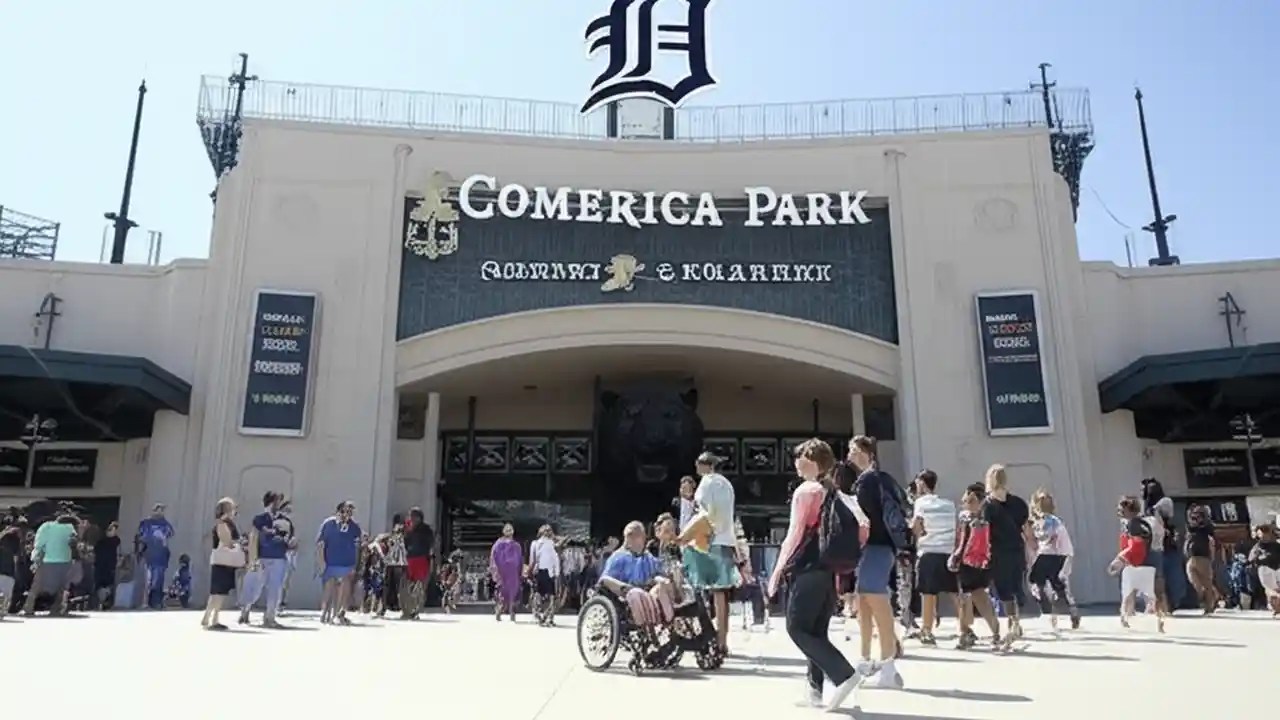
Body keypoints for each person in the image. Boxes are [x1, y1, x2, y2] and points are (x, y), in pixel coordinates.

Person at [767, 438, 860, 712]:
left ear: (810, 459)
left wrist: (776, 572)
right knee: (816, 631)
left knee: (796, 628)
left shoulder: (805, 491)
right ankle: (814, 690)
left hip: (806, 568)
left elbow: (794, 535)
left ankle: (843, 674)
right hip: (829, 570)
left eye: (799, 457)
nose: (796, 462)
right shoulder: (834, 491)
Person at [849, 435, 906, 686]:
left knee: (874, 599)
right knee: (865, 600)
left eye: (853, 450)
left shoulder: (866, 481)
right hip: (885, 546)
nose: (849, 455)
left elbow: (863, 518)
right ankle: (868, 660)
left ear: (865, 453)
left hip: (874, 545)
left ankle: (887, 665)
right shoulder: (885, 479)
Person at [691, 451, 740, 654]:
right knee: (721, 594)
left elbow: (705, 513)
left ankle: (709, 636)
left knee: (702, 589)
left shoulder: (707, 483)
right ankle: (722, 640)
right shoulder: (727, 484)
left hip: (710, 540)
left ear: (707, 466)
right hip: (726, 539)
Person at [981, 464, 1031, 651]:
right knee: (1015, 585)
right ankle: (1015, 622)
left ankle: (1012, 623)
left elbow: (985, 532)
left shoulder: (988, 505)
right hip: (1016, 549)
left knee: (1003, 590)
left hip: (997, 551)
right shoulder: (1018, 503)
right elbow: (1026, 528)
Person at [910, 470, 959, 647]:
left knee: (928, 594)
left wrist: (915, 531)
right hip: (947, 551)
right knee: (954, 592)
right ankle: (965, 629)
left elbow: (916, 526)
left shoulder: (920, 503)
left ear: (922, 483)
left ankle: (927, 630)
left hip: (928, 551)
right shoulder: (949, 504)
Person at [951, 483, 1001, 649]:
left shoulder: (966, 518)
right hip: (983, 562)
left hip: (967, 563)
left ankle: (965, 634)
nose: (966, 502)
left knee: (965, 598)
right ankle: (995, 631)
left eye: (969, 499)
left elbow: (962, 542)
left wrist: (954, 558)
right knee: (980, 596)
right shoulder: (988, 517)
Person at [601, 521, 673, 627]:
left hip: (646, 590)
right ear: (629, 538)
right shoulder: (618, 557)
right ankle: (645, 625)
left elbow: (658, 569)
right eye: (641, 537)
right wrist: (626, 588)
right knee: (635, 592)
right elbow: (605, 580)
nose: (644, 540)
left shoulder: (646, 557)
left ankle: (670, 622)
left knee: (664, 584)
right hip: (626, 593)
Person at [1027, 489, 1081, 631]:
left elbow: (1047, 536)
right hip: (1062, 554)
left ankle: (1048, 611)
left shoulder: (1048, 520)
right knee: (1056, 582)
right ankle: (1071, 610)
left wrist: (1032, 534)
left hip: (1049, 553)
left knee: (1036, 580)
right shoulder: (1055, 520)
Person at [1111, 496, 1165, 632]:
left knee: (1129, 589)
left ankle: (1127, 618)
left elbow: (1136, 545)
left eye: (1121, 509)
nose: (1118, 511)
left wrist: (1120, 558)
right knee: (1154, 590)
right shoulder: (1145, 522)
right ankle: (1160, 618)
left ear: (1129, 510)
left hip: (1139, 560)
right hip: (1152, 557)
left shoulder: (1133, 524)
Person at [239, 491, 290, 628]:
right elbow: (253, 538)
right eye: (277, 501)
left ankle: (269, 617)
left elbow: (289, 538)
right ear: (270, 502)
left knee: (275, 588)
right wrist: (252, 559)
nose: (279, 504)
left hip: (279, 558)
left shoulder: (285, 521)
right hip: (261, 558)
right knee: (254, 587)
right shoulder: (260, 519)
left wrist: (291, 544)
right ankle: (245, 611)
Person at [1141, 478, 1184, 610]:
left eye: (1146, 489)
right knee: (1153, 576)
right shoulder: (1145, 505)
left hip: (1165, 543)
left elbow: (1168, 516)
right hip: (1151, 543)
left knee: (1167, 575)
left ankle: (1169, 603)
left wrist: (1154, 510)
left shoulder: (1164, 502)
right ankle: (1155, 605)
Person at [316, 501, 361, 625]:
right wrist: (321, 562)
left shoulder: (355, 527)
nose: (348, 514)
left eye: (350, 511)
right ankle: (324, 612)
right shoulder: (329, 524)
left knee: (345, 588)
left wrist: (355, 565)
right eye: (346, 510)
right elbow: (320, 543)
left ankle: (339, 613)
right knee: (329, 588)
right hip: (330, 561)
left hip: (347, 563)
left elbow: (357, 546)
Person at [23, 513, 78, 616]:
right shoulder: (70, 528)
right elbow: (73, 543)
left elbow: (39, 543)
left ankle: (28, 607)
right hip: (65, 560)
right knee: (62, 587)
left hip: (47, 559)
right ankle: (57, 609)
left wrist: (35, 558)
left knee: (37, 586)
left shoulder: (46, 526)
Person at [203, 497, 243, 631]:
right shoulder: (222, 523)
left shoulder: (228, 523)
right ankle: (211, 619)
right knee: (218, 592)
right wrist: (240, 544)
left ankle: (209, 618)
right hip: (222, 560)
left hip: (224, 560)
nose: (235, 510)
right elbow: (226, 541)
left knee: (219, 592)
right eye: (232, 507)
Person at [136, 503, 175, 611]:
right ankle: (145, 602)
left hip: (161, 556)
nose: (161, 512)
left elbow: (170, 534)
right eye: (159, 509)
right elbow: (140, 537)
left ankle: (156, 602)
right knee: (148, 580)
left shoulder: (165, 524)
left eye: (162, 510)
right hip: (149, 555)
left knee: (158, 580)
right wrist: (140, 552)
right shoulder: (146, 523)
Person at [1183, 504, 1218, 614]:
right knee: (1195, 583)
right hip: (1191, 558)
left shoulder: (1207, 528)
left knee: (1207, 583)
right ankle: (1211, 596)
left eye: (1198, 516)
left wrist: (1201, 521)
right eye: (1193, 516)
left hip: (1203, 557)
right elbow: (1189, 526)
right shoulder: (1190, 529)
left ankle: (1209, 607)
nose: (1195, 519)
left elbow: (1211, 535)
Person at [402, 507, 432, 619]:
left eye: (414, 516)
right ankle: (407, 609)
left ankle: (416, 609)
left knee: (419, 586)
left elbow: (431, 545)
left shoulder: (426, 530)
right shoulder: (408, 530)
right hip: (409, 559)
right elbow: (404, 543)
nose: (412, 518)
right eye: (411, 516)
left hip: (421, 559)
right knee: (408, 586)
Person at [490, 523, 523, 621]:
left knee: (505, 592)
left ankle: (503, 611)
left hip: (507, 572)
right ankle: (507, 611)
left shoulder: (501, 544)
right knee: (509, 592)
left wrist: (494, 571)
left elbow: (493, 559)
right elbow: (520, 560)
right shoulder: (514, 545)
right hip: (509, 573)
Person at [529, 524, 560, 626]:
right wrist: (557, 573)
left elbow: (533, 560)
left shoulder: (539, 544)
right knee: (548, 595)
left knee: (543, 594)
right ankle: (546, 617)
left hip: (543, 571)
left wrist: (529, 571)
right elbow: (555, 560)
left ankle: (543, 616)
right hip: (546, 572)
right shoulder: (549, 544)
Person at [1247, 523, 1280, 616]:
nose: (1264, 535)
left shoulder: (1277, 546)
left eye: (1266, 532)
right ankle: (1275, 606)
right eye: (1262, 532)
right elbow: (1251, 559)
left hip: (1277, 569)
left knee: (1274, 590)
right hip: (1265, 570)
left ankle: (1276, 606)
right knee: (1270, 589)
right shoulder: (1258, 547)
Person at [93, 522, 121, 610]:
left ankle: (105, 602)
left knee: (108, 584)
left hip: (109, 566)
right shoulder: (101, 542)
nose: (114, 532)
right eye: (112, 530)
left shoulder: (115, 541)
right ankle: (101, 602)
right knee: (102, 584)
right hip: (101, 566)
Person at [0, 522, 21, 620]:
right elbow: (15, 560)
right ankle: (2, 610)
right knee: (7, 594)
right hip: (8, 573)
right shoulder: (14, 549)